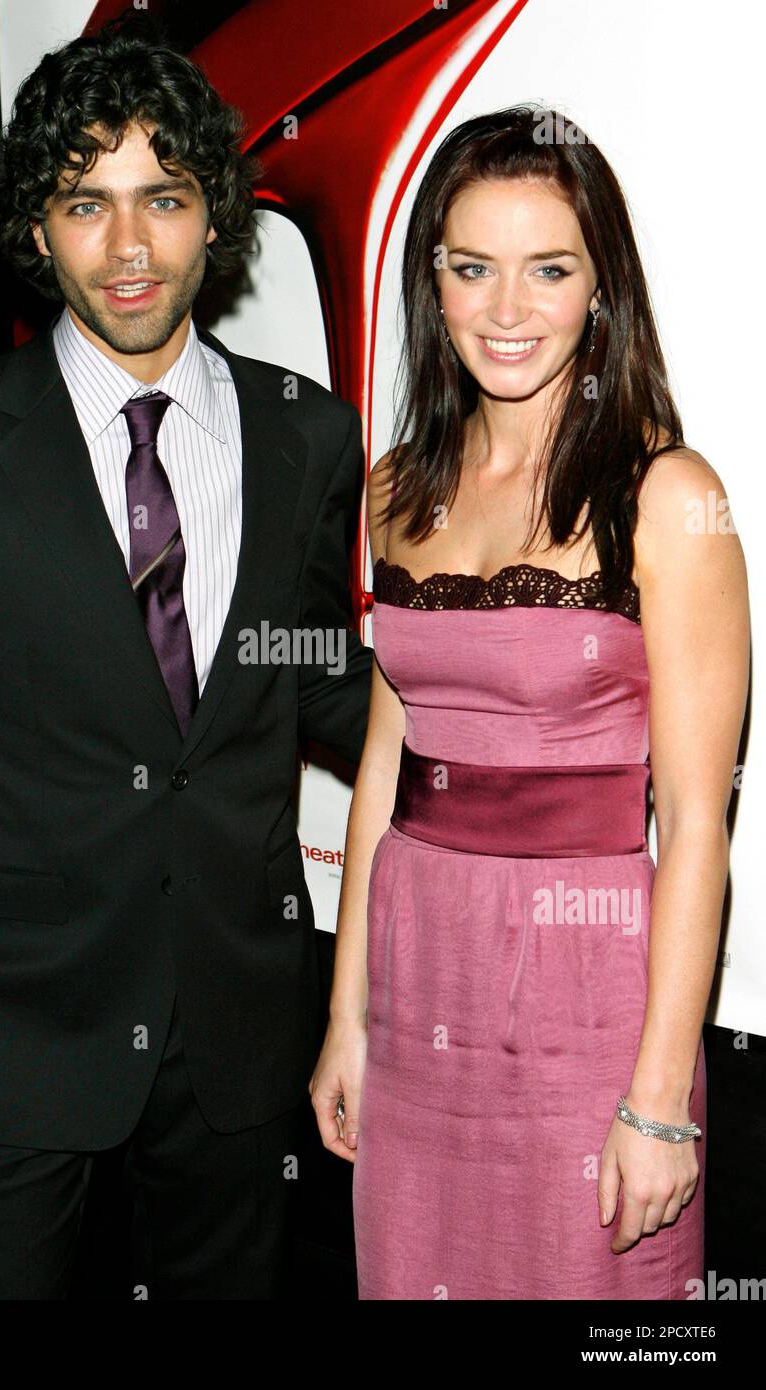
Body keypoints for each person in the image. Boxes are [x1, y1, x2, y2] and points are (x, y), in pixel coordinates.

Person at [0, 15, 371, 1300]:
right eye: (88, 202)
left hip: (237, 1031)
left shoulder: (309, 437)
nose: (129, 250)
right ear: (37, 224)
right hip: (6, 1034)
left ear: (213, 217)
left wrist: (517, 734)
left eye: (164, 199)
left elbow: (308, 676)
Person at [311, 106, 750, 1300]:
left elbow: (698, 825)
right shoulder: (399, 484)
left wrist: (660, 1099)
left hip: (588, 990)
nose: (506, 311)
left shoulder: (668, 496)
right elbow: (381, 776)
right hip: (419, 979)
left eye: (548, 269)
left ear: (600, 287)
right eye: (471, 268)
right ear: (432, 282)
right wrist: (345, 1017)